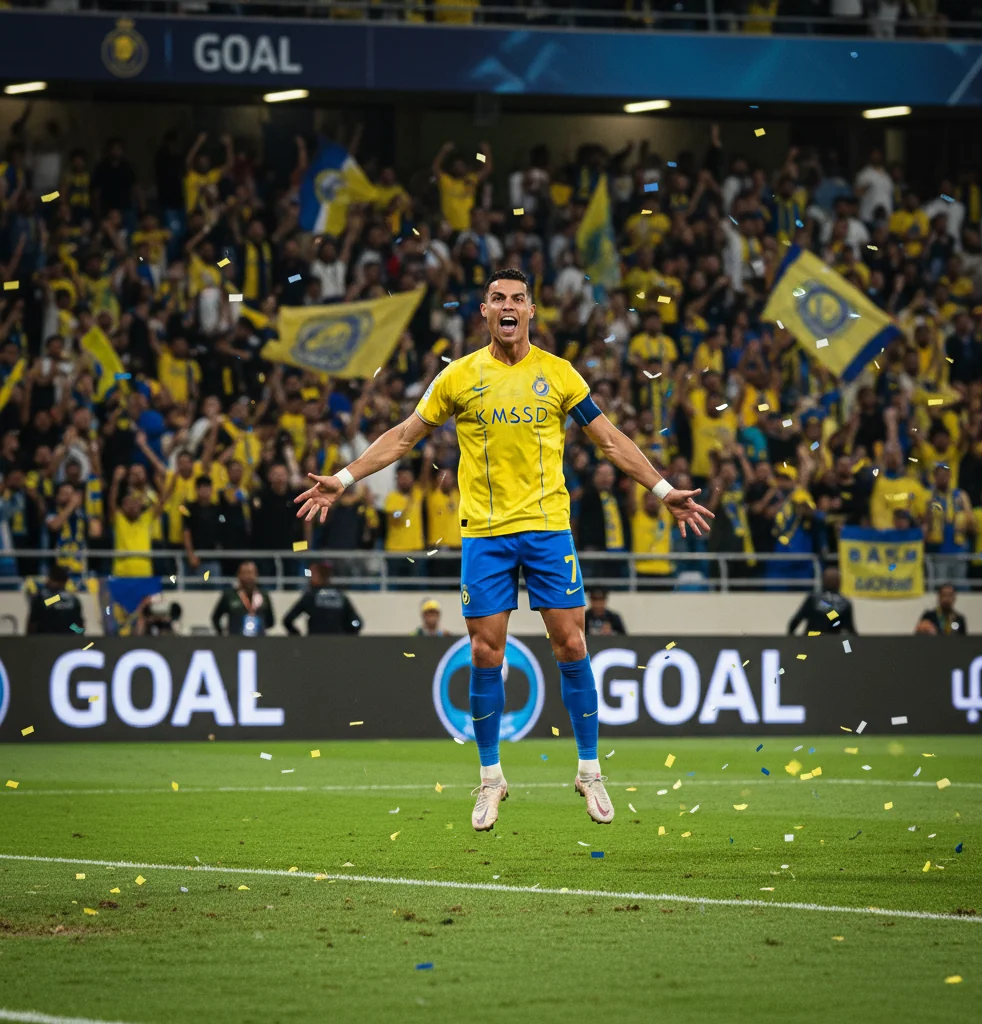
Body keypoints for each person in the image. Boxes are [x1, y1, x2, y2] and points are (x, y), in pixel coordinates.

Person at [296, 268, 712, 831]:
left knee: (571, 643)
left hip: (546, 529)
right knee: (486, 653)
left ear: (531, 311)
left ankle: (589, 771)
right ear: (485, 311)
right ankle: (491, 780)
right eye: (498, 299)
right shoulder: (460, 377)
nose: (508, 306)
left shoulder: (559, 375)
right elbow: (403, 436)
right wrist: (343, 479)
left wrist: (663, 491)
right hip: (486, 535)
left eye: (518, 298)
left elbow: (609, 440)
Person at [283, 562, 362, 636]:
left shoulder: (311, 596)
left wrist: (296, 635)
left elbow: (288, 620)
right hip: (338, 643)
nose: (309, 578)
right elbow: (356, 622)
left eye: (312, 575)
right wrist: (349, 636)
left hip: (316, 642)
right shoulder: (340, 596)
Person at [211, 561, 275, 637]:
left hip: (259, 640)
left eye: (251, 573)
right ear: (239, 575)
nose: (248, 576)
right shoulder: (229, 595)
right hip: (235, 640)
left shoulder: (264, 595)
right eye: (245, 573)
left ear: (256, 575)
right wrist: (222, 634)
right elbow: (215, 617)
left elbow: (271, 621)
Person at [786, 566, 856, 634]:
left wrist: (791, 640)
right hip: (833, 641)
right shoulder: (845, 603)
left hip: (812, 638)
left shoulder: (814, 599)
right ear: (839, 582)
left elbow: (795, 622)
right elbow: (850, 630)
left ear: (823, 581)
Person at [26, 564, 84, 634]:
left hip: (47, 640)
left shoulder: (41, 598)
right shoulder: (73, 600)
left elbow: (32, 624)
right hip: (58, 640)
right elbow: (76, 627)